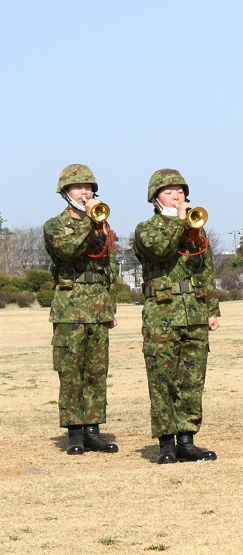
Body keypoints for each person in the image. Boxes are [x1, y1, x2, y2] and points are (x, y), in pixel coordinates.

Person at [135, 169, 220, 464]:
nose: (177, 196)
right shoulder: (147, 229)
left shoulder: (197, 228)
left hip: (194, 312)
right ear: (155, 197)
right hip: (162, 314)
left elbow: (206, 269)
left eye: (180, 191)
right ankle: (165, 444)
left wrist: (212, 309)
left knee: (192, 380)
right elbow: (160, 250)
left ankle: (186, 440)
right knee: (162, 380)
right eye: (169, 191)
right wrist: (180, 222)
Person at [43, 164, 119, 455]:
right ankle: (74, 433)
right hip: (70, 308)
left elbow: (109, 267)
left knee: (97, 372)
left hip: (98, 308)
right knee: (71, 371)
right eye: (78, 187)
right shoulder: (54, 225)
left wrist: (110, 307)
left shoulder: (102, 226)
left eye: (88, 187)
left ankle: (93, 431)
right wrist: (90, 220)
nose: (84, 192)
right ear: (65, 192)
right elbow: (68, 250)